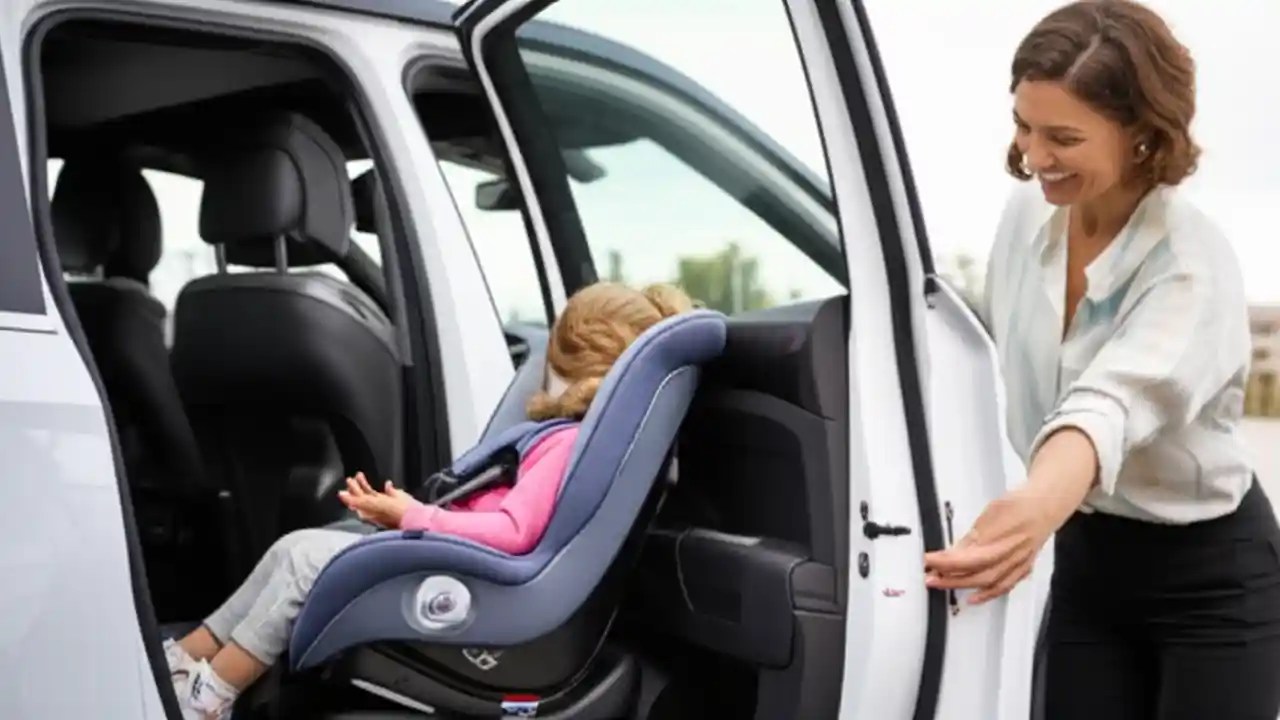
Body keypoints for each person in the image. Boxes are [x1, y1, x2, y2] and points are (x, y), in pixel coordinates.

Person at [921, 1, 1280, 718]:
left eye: (1063, 137)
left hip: (1209, 579)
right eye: (1023, 125)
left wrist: (1034, 508)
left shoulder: (1190, 265)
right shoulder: (1024, 219)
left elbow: (1107, 404)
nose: (1031, 155)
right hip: (1090, 562)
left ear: (1143, 137)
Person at [161, 281, 695, 720]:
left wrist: (413, 516)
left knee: (303, 563)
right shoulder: (565, 435)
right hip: (452, 551)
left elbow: (514, 534)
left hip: (477, 574)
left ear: (567, 355)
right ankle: (183, 661)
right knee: (294, 546)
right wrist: (401, 514)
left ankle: (211, 698)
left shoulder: (563, 444)